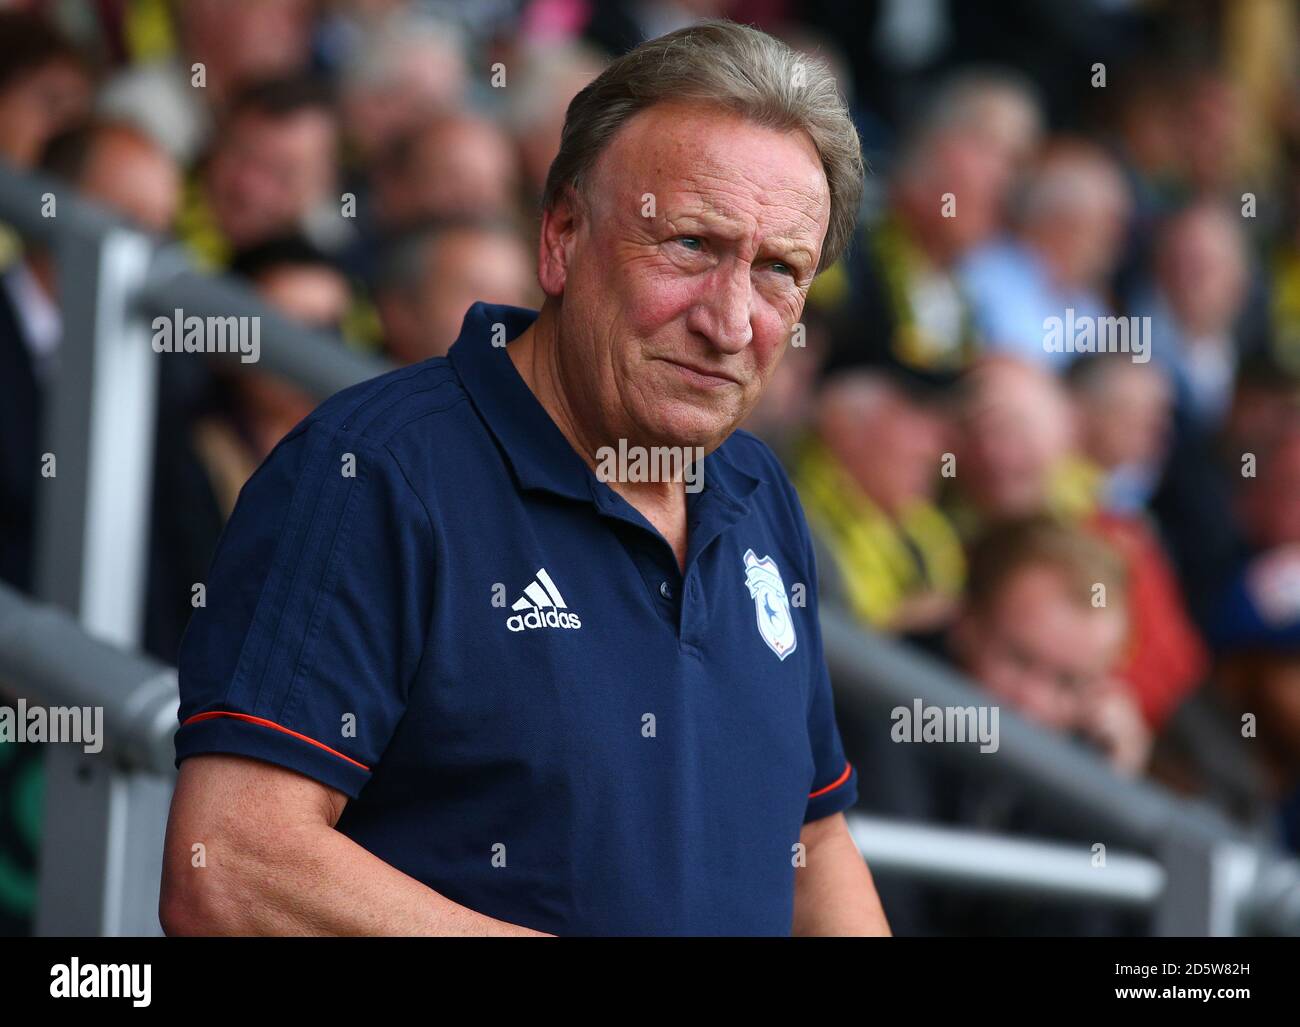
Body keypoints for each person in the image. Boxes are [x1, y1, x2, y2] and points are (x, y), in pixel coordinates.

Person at [161, 20, 890, 937]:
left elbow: (813, 846)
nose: (731, 321)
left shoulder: (760, 493)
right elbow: (227, 866)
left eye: (780, 270)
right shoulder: (370, 473)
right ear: (561, 238)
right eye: (693, 245)